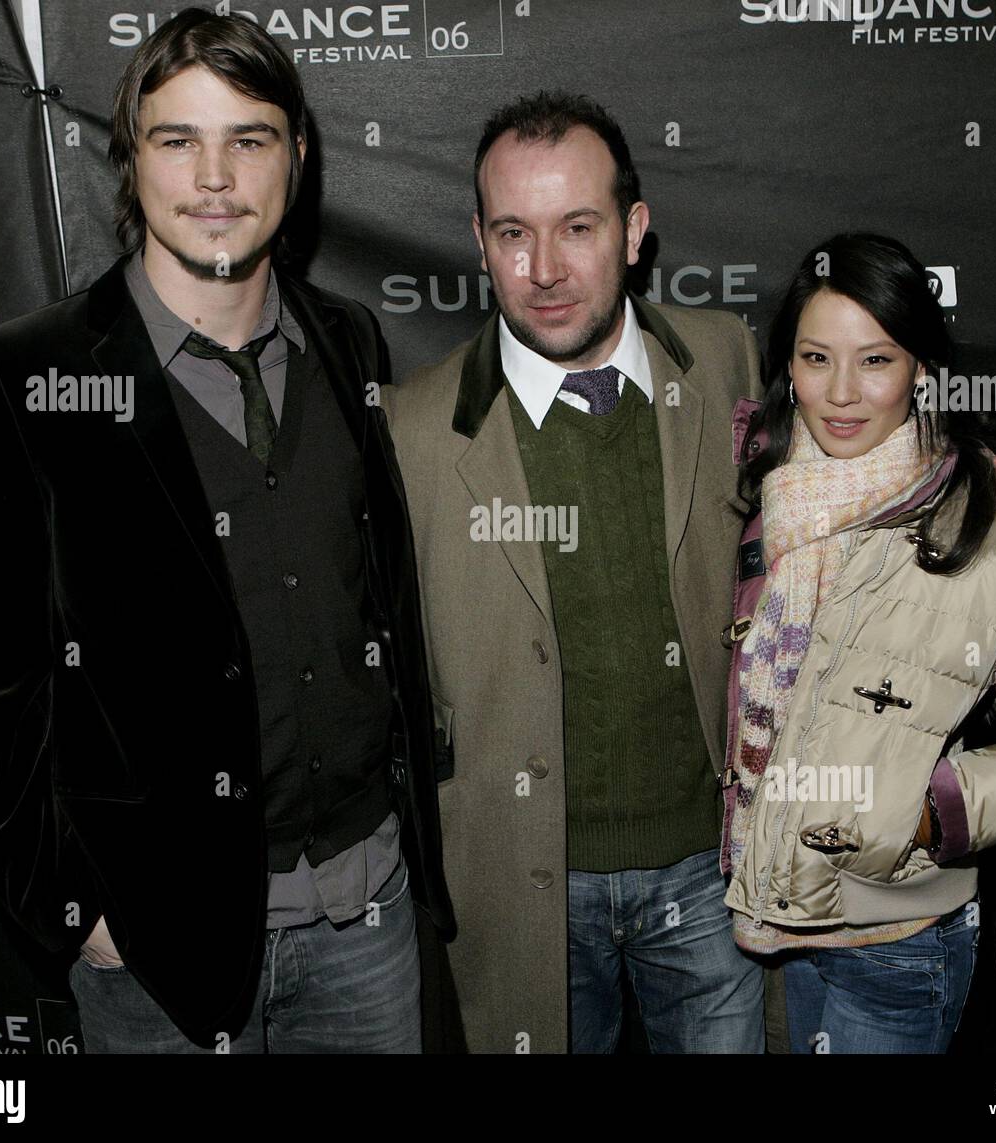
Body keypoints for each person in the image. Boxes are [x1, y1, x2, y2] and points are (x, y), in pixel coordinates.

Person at [0, 8, 452, 1053]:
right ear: (132, 160)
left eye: (248, 139)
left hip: (369, 917)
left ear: (297, 158)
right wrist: (78, 912)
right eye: (178, 140)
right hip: (156, 951)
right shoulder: (23, 377)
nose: (215, 178)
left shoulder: (348, 340)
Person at [380, 91, 765, 1053]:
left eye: (578, 228)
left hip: (713, 870)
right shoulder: (414, 427)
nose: (544, 269)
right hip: (521, 887)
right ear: (479, 241)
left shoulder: (724, 358)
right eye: (513, 232)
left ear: (634, 231)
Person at [720, 232, 996, 1053]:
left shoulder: (989, 535)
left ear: (920, 369)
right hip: (777, 918)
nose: (841, 393)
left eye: (876, 360)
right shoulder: (777, 494)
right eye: (816, 358)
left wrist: (930, 810)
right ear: (787, 366)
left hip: (900, 943)